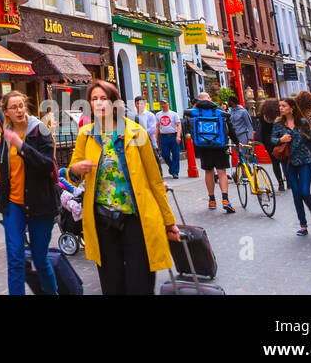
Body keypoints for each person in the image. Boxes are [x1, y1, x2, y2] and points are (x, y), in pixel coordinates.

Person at [68, 80, 180, 295]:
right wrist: (76, 170)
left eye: (104, 99)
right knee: (112, 283)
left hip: (136, 220)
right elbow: (73, 177)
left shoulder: (136, 132)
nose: (99, 103)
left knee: (139, 282)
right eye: (94, 99)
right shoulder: (86, 135)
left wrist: (168, 221)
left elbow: (155, 180)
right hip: (103, 220)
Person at [0, 91, 57, 295]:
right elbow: (5, 172)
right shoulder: (5, 136)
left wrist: (21, 146)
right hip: (13, 203)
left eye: (22, 105)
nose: (20, 110)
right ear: (6, 112)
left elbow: (48, 164)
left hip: (40, 204)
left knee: (40, 260)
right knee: (15, 259)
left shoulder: (40, 131)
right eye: (14, 107)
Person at [273, 97, 311, 237]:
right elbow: (272, 140)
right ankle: (303, 225)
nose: (281, 108)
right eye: (280, 106)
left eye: (283, 106)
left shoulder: (302, 123)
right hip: (288, 163)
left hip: (304, 161)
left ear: (292, 107)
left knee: (304, 192)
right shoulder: (278, 124)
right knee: (296, 194)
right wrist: (280, 140)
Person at [191, 92, 239, 213]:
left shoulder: (195, 112)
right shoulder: (219, 112)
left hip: (204, 146)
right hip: (220, 146)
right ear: (210, 99)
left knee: (209, 172)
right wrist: (237, 142)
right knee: (222, 172)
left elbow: (190, 130)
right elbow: (230, 128)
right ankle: (225, 199)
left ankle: (212, 199)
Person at [259, 98, 287, 192]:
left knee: (275, 163)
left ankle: (280, 183)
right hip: (280, 139)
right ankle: (289, 182)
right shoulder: (279, 116)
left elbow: (262, 130)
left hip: (268, 142)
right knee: (284, 160)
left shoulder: (263, 116)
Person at [155, 99, 183, 178]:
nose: (163, 105)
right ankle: (172, 167)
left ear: (168, 103)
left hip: (173, 135)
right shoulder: (158, 114)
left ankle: (175, 172)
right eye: (161, 103)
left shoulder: (174, 114)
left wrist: (178, 136)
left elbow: (178, 125)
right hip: (163, 136)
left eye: (164, 103)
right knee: (165, 155)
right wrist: (155, 137)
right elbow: (157, 126)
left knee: (175, 154)